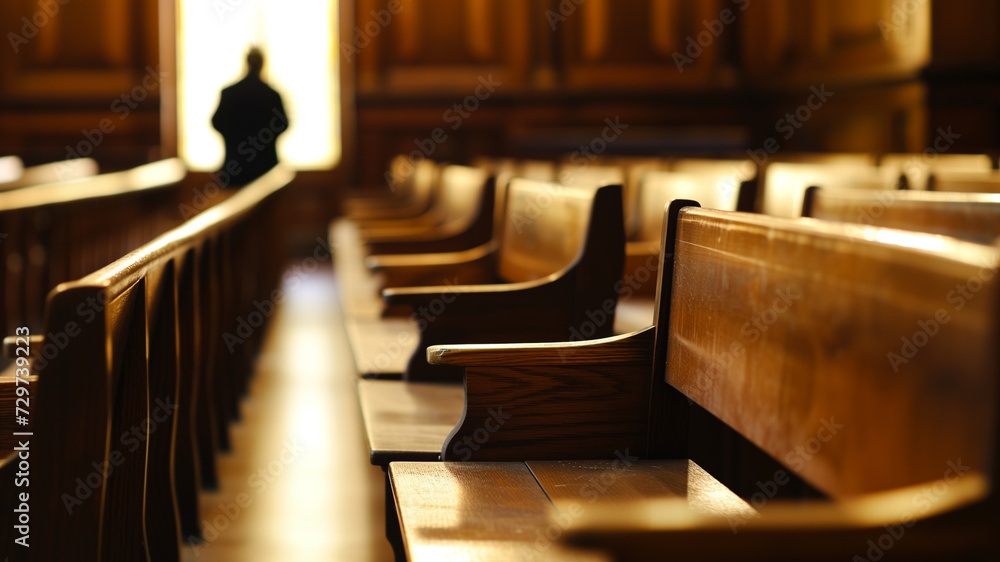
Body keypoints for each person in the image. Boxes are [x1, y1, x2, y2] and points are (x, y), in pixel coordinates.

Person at [212, 47, 289, 187]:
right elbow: (283, 124)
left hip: (235, 166)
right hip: (266, 166)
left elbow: (216, 122)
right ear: (262, 64)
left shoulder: (229, 93)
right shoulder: (272, 95)